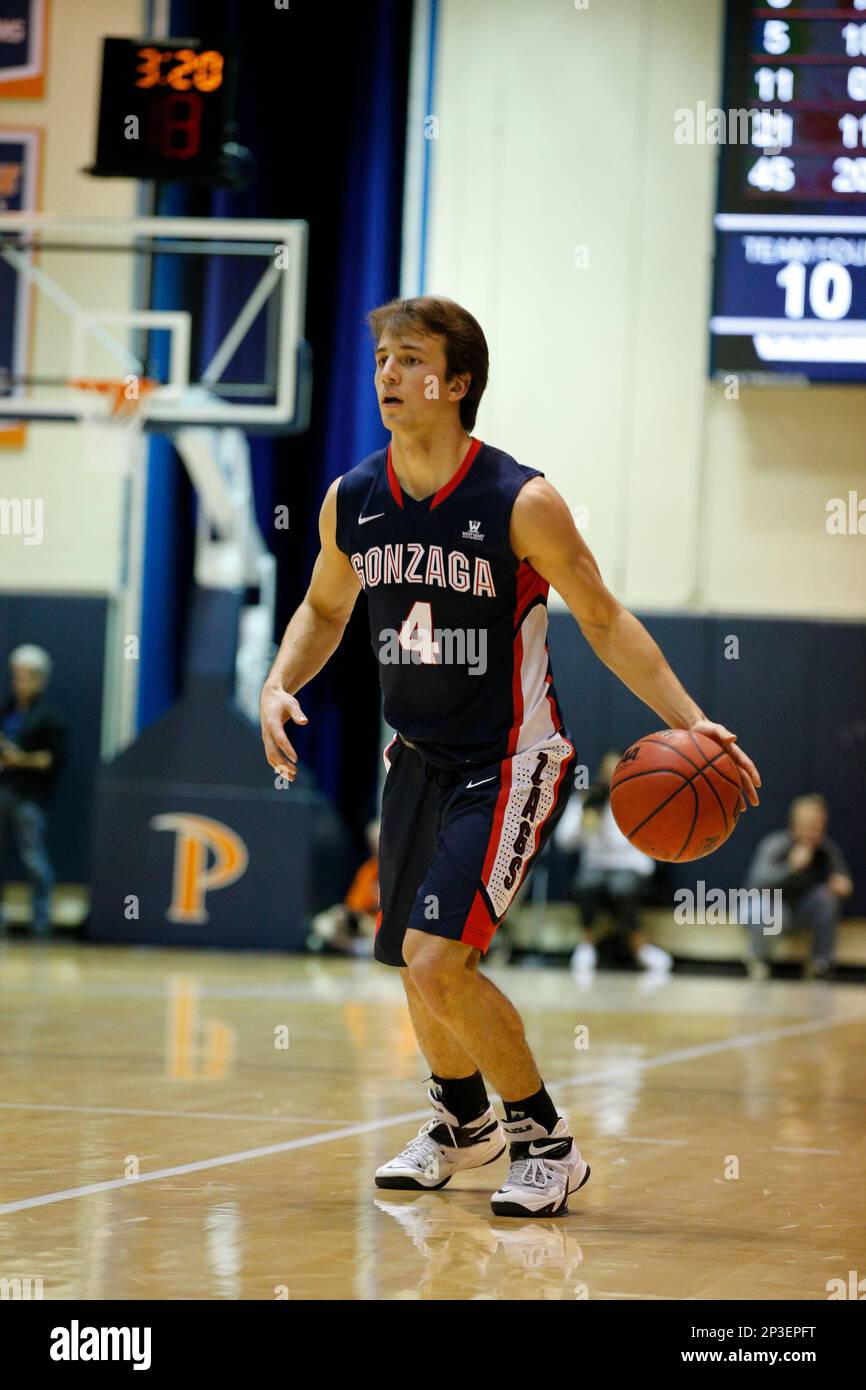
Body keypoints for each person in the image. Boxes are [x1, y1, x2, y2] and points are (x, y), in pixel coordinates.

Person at [259, 295, 760, 1218]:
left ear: (457, 384)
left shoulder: (517, 501)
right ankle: (463, 1126)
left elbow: (604, 619)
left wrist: (692, 720)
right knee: (411, 962)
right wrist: (278, 681)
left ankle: (547, 1143)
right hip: (412, 757)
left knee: (438, 959)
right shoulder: (354, 499)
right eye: (381, 360)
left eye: (409, 361)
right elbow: (326, 611)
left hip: (511, 759)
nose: (388, 376)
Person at [555, 751, 670, 974]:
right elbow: (564, 842)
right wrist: (584, 817)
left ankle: (639, 946)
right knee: (587, 884)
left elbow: (646, 843)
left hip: (630, 864)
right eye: (607, 774)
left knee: (622, 888)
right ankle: (586, 944)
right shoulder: (587, 800)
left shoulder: (638, 801)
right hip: (596, 864)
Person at [744, 794, 852, 981]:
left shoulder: (826, 850)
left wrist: (842, 886)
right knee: (762, 908)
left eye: (819, 825)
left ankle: (821, 964)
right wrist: (790, 869)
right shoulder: (776, 845)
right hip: (773, 909)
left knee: (825, 897)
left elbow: (843, 879)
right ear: (794, 824)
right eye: (810, 824)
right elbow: (756, 884)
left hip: (802, 912)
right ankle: (759, 958)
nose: (815, 830)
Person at [0, 645, 67, 936]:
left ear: (41, 680)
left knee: (33, 857)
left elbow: (51, 759)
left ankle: (41, 920)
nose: (19, 684)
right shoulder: (5, 711)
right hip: (4, 790)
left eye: (26, 677)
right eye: (16, 677)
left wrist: (20, 759)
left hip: (29, 797)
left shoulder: (49, 717)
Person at [309, 819, 380, 955]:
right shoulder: (366, 870)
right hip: (363, 923)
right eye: (374, 841)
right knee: (322, 924)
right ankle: (359, 948)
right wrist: (344, 915)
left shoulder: (397, 871)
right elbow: (354, 905)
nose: (377, 845)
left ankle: (365, 949)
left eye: (380, 840)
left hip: (382, 926)